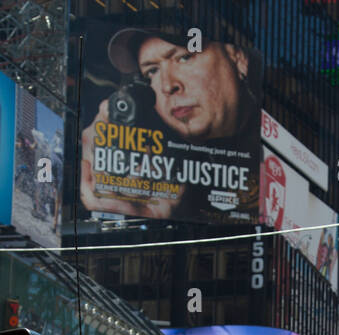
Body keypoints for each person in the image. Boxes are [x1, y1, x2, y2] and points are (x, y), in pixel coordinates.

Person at [81, 21, 262, 222]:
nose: (168, 85)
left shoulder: (277, 131)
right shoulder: (165, 160)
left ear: (239, 58)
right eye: (152, 71)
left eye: (184, 58)